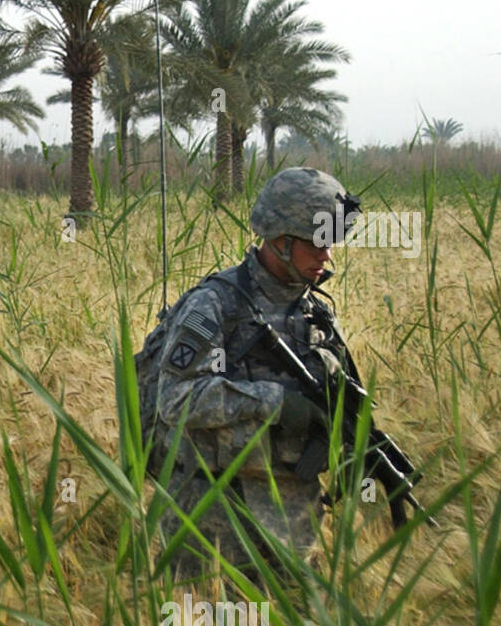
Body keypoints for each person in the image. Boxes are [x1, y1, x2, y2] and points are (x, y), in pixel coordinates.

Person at [148, 167, 362, 581]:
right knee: (206, 619)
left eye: (333, 243)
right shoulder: (214, 305)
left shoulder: (315, 313)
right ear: (280, 240)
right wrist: (275, 402)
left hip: (293, 515)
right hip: (214, 509)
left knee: (295, 618)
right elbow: (175, 399)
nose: (327, 256)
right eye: (318, 243)